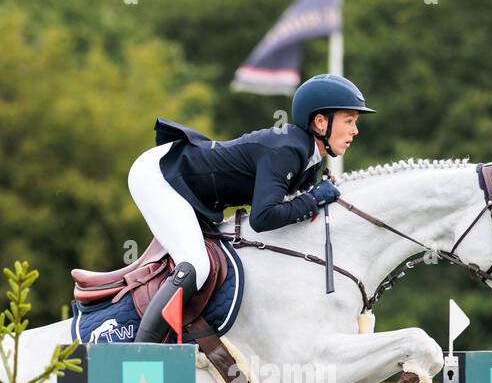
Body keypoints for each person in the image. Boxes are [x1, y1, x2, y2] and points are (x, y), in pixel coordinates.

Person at [126, 73, 374, 342]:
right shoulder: (287, 150)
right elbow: (263, 217)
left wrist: (316, 198)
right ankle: (144, 347)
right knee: (196, 265)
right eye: (349, 121)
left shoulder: (310, 159)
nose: (355, 131)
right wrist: (313, 199)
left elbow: (295, 213)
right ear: (320, 122)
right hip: (159, 175)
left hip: (187, 184)